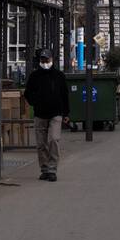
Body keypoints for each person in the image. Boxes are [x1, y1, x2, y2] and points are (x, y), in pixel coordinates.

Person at [22, 49, 70, 181]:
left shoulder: (59, 76)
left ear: (52, 60)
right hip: (40, 113)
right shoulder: (35, 76)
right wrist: (35, 102)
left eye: (47, 60)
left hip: (56, 113)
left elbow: (65, 94)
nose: (45, 62)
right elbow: (27, 93)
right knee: (41, 143)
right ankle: (44, 169)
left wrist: (66, 113)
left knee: (54, 139)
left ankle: (52, 169)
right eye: (43, 60)